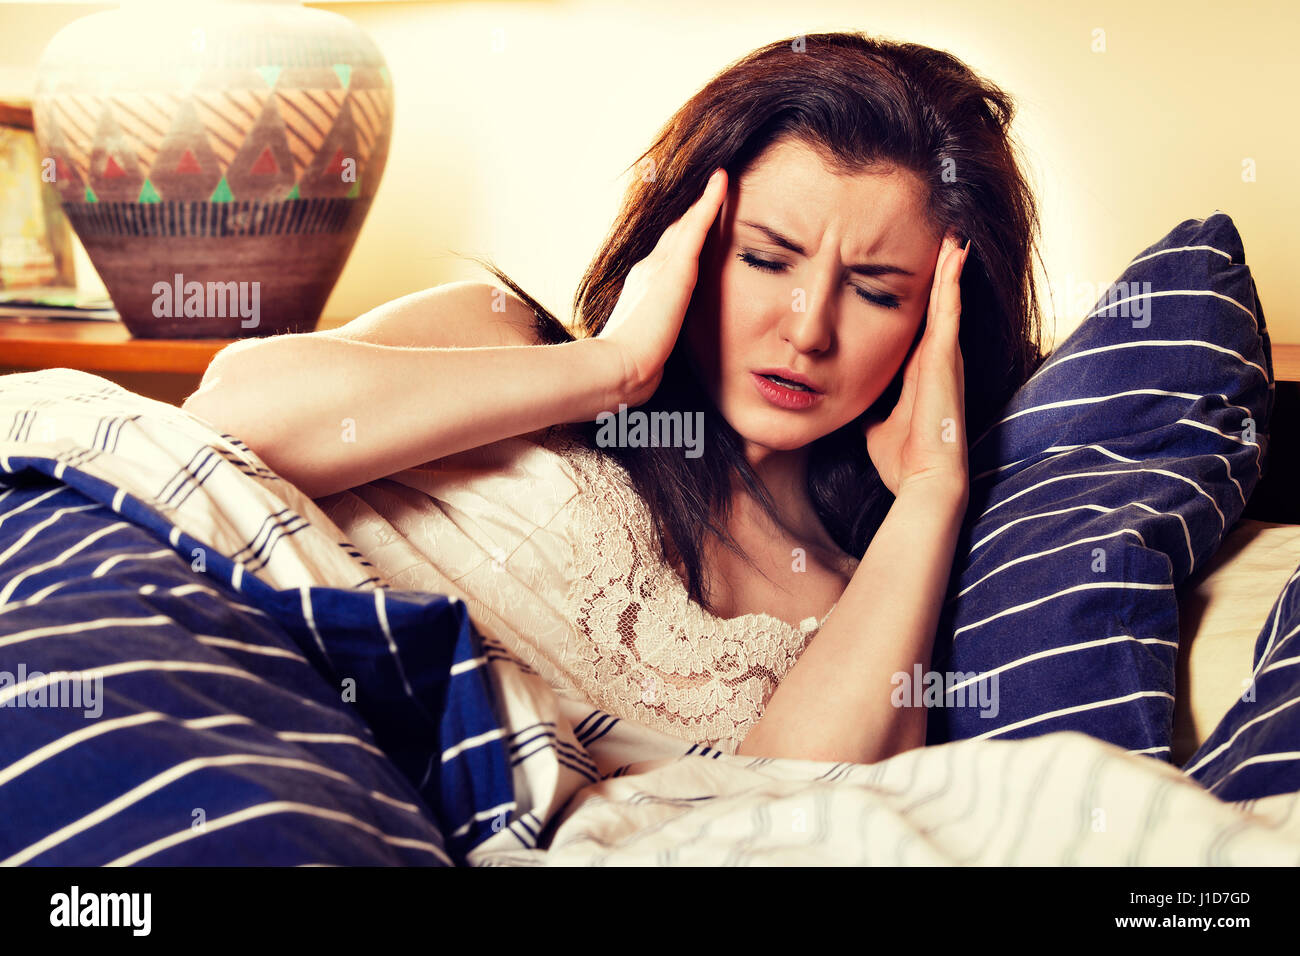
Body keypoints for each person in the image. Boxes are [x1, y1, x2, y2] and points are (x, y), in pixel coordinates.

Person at [183, 31, 1046, 765]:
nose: (808, 328)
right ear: (686, 242)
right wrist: (614, 368)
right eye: (767, 258)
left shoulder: (862, 596)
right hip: (192, 678)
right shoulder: (505, 339)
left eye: (876, 291)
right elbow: (219, 422)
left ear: (939, 330)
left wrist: (932, 494)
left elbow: (800, 824)